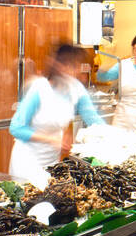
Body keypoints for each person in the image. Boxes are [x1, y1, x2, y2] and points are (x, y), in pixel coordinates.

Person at [9, 43, 106, 183]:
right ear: (58, 65)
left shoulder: (75, 88)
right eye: (71, 65)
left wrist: (114, 137)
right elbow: (16, 128)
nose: (75, 71)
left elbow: (93, 119)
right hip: (26, 162)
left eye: (76, 66)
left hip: (51, 162)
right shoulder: (39, 88)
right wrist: (51, 140)